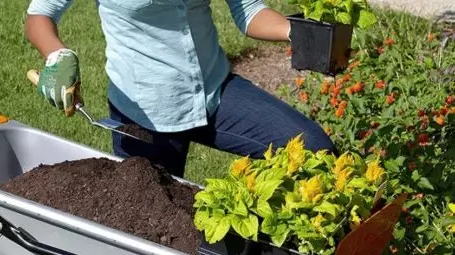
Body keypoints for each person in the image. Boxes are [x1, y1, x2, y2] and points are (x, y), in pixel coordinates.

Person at [24, 0, 336, 178]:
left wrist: (296, 32)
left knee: (314, 149)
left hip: (215, 93)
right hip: (145, 111)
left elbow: (248, 9)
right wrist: (58, 56)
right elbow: (39, 16)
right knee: (152, 225)